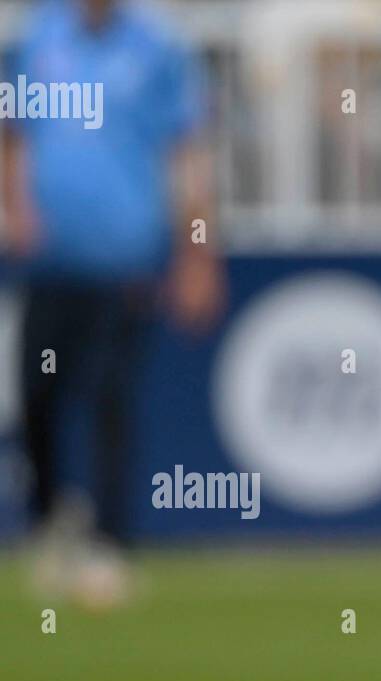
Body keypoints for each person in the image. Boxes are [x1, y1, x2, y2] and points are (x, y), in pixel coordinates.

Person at [3, 0, 224, 606]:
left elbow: (187, 153)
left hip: (122, 262)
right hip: (50, 262)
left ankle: (109, 544)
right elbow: (14, 134)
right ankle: (50, 520)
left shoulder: (156, 49)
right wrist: (17, 207)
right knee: (36, 397)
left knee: (109, 396)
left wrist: (198, 252)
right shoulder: (39, 37)